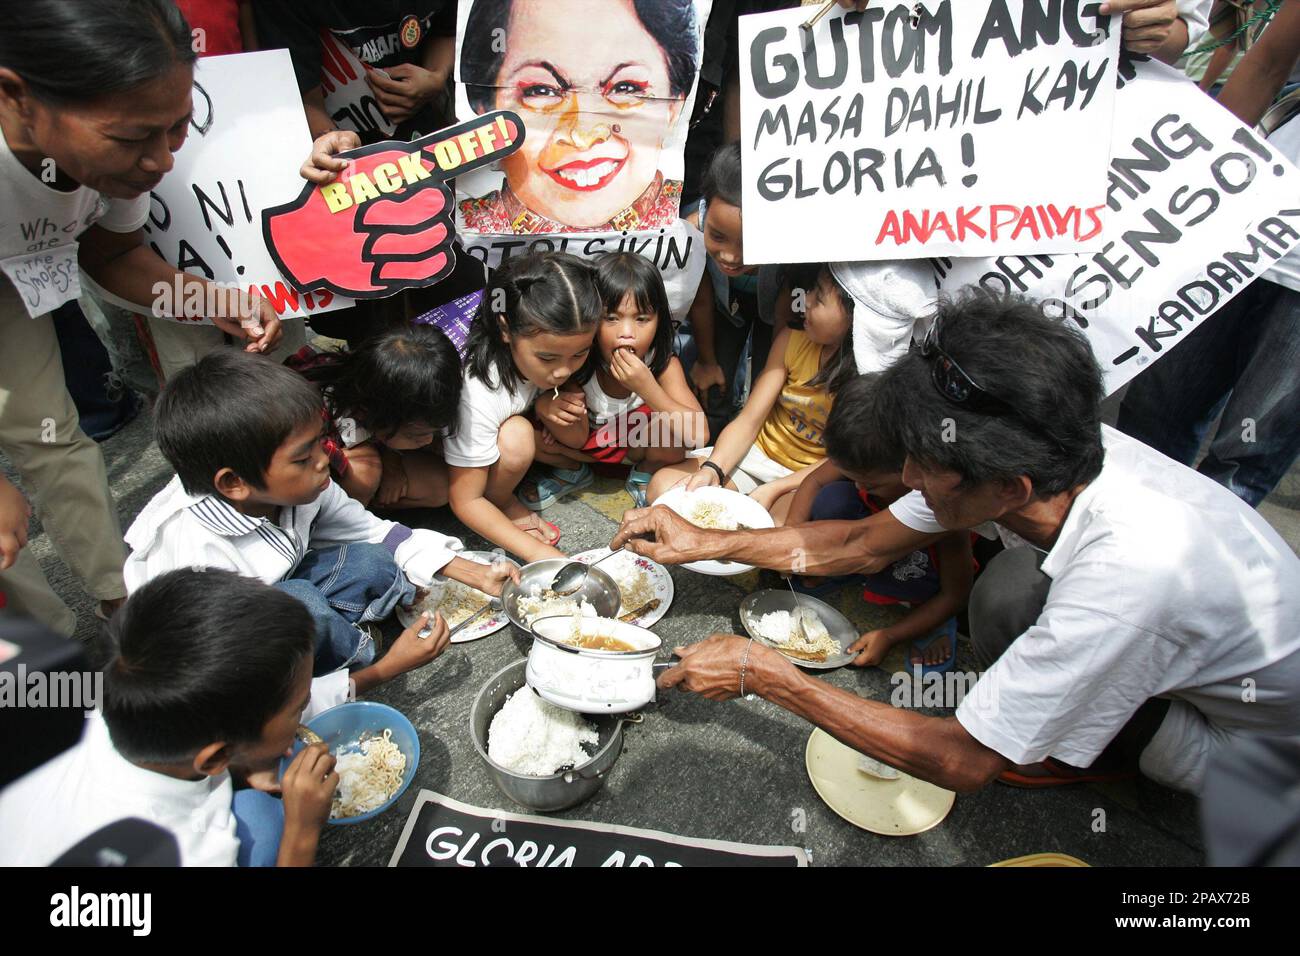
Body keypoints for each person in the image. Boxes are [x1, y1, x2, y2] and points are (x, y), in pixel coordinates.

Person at [621, 290, 1300, 795]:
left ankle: (1091, 751)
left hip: (1251, 748)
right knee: (1006, 591)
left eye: (923, 466)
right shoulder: (1057, 446)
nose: (908, 479)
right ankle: (1072, 711)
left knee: (1009, 641)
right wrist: (699, 537)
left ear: (1009, 491)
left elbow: (964, 761)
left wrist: (766, 675)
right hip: (1181, 644)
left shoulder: (1128, 576)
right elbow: (859, 542)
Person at [0, 0, 279, 638]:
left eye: (177, 128)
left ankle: (120, 599)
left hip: (15, 278)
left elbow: (115, 254)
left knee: (48, 436)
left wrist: (212, 301)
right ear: (17, 97)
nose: (161, 161)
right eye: (132, 138)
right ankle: (42, 653)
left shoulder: (131, 145)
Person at [123, 349, 516, 678]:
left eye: (320, 444)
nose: (324, 459)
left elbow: (374, 532)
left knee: (374, 562)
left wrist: (475, 573)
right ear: (232, 483)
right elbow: (218, 677)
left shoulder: (299, 486)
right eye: (303, 456)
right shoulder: (193, 555)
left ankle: (333, 639)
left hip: (271, 592)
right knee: (302, 607)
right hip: (223, 653)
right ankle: (344, 661)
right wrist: (386, 670)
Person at [0, 569, 361, 867]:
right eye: (299, 708)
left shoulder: (71, 688)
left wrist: (243, 762)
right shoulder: (191, 851)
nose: (304, 709)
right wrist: (301, 833)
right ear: (216, 757)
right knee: (271, 826)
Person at [1118, 0, 1300, 507]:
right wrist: (1185, 180)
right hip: (1249, 219)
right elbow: (1266, 63)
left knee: (1246, 458)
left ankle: (1178, 582)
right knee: (1150, 419)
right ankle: (1110, 566)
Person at [457, 0, 699, 234]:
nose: (583, 135)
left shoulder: (698, 235)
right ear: (485, 111)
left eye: (625, 88)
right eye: (541, 91)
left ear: (675, 104)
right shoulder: (456, 241)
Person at [786, 375, 974, 674]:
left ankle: (932, 618)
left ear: (912, 467)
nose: (859, 484)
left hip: (922, 564)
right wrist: (791, 537)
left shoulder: (943, 511)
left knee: (917, 566)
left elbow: (957, 593)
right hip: (870, 531)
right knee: (833, 497)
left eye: (870, 483)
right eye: (855, 476)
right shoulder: (870, 451)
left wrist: (889, 636)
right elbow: (815, 480)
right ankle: (846, 570)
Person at [650, 263, 856, 522]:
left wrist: (776, 488)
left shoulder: (867, 376)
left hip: (805, 478)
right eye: (811, 291)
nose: (806, 301)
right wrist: (714, 468)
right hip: (755, 455)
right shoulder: (792, 339)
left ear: (855, 312)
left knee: (774, 530)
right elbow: (748, 420)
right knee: (663, 486)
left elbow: (841, 461)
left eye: (820, 297)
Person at [446, 252, 601, 562]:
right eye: (547, 358)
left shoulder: (556, 344)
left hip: (488, 432)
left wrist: (549, 404)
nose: (562, 371)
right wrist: (538, 554)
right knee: (517, 439)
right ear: (505, 330)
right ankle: (499, 501)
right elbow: (464, 500)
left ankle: (500, 499)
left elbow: (576, 438)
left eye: (579, 355)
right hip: (427, 455)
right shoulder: (477, 392)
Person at [520, 252, 705, 509]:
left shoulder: (662, 365)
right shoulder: (579, 361)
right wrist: (548, 408)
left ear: (660, 319)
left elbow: (699, 434)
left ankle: (645, 474)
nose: (626, 334)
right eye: (611, 318)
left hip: (636, 452)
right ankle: (573, 471)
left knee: (671, 431)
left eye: (642, 319)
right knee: (525, 435)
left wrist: (648, 388)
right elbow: (574, 438)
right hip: (582, 451)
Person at [293, 324, 463, 510]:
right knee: (365, 473)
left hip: (368, 441)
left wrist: (392, 461)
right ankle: (345, 517)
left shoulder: (371, 386)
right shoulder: (314, 417)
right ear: (370, 414)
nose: (429, 440)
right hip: (312, 475)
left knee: (438, 487)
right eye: (415, 435)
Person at [255, 1, 458, 142]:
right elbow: (304, 100)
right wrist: (332, 143)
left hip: (425, 130)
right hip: (335, 140)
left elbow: (447, 29)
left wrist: (436, 76)